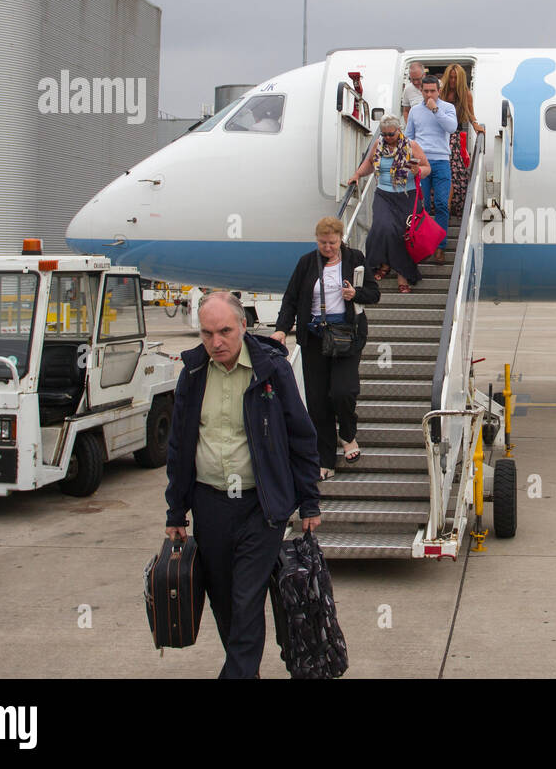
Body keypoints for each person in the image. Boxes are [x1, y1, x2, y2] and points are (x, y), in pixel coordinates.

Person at [163, 291, 323, 679]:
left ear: (243, 327)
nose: (216, 342)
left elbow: (301, 436)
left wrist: (309, 502)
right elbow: (180, 444)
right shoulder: (194, 373)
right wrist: (176, 509)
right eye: (206, 334)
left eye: (224, 332)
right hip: (210, 504)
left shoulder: (271, 370)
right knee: (223, 602)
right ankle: (245, 671)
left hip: (260, 506)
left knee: (246, 598)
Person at [273, 217, 380, 477]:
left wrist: (356, 294)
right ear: (317, 240)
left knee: (343, 391)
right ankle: (325, 458)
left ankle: (347, 433)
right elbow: (291, 299)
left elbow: (374, 293)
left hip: (346, 335)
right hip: (315, 338)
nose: (328, 248)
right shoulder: (307, 263)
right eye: (323, 243)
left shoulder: (355, 258)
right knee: (318, 401)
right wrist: (281, 329)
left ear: (340, 239)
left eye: (332, 243)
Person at [349, 115, 431, 292]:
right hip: (384, 195)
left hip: (407, 195)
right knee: (382, 226)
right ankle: (382, 264)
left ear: (399, 131)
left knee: (402, 233)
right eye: (384, 134)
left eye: (391, 134)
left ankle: (400, 273)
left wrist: (418, 171)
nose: (387, 138)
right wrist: (357, 175)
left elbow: (427, 168)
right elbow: (369, 164)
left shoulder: (411, 146)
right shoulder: (378, 145)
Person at [404, 74, 456, 263]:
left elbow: (452, 128)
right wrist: (409, 161)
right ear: (421, 91)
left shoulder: (448, 108)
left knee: (442, 204)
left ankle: (440, 247)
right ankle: (423, 243)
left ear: (438, 91)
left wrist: (435, 110)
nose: (429, 94)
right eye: (426, 91)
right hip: (420, 162)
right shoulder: (415, 111)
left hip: (441, 161)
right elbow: (409, 137)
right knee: (422, 206)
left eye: (432, 91)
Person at [441, 63, 485, 217]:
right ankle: (442, 207)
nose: (453, 81)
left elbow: (470, 113)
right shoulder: (441, 92)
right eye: (451, 77)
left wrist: (475, 125)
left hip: (454, 136)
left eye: (455, 78)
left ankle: (448, 207)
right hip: (440, 135)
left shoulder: (465, 94)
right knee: (444, 172)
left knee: (455, 174)